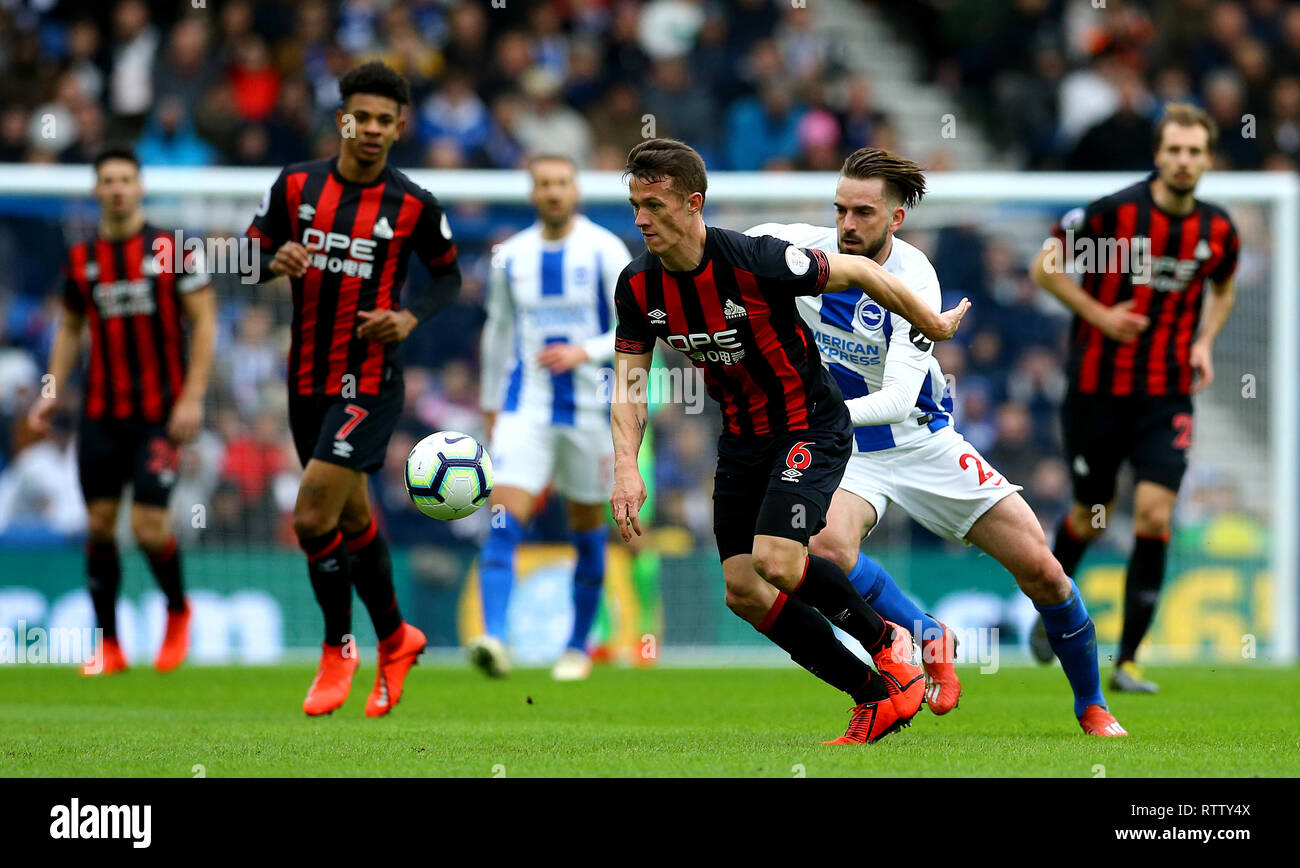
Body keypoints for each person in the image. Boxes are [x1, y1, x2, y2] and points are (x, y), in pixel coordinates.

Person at [748, 147, 1127, 737]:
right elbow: (717, 249)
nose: (848, 224)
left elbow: (899, 400)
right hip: (848, 453)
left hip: (921, 442)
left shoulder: (915, 276)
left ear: (896, 219)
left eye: (864, 213)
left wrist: (816, 414)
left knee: (1044, 572)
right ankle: (924, 633)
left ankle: (1093, 706)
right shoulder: (798, 247)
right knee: (820, 550)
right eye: (841, 209)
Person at [609, 138, 968, 744]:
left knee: (780, 559)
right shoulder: (637, 287)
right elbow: (629, 383)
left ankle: (891, 641)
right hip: (744, 439)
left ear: (693, 204)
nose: (641, 218)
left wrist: (929, 323)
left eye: (655, 205)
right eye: (636, 204)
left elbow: (857, 270)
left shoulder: (755, 260)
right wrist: (625, 466)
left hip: (811, 425)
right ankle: (875, 695)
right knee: (745, 592)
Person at [245, 61, 461, 716]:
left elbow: (448, 279)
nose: (370, 128)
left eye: (383, 120)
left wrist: (408, 316)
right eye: (360, 117)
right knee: (352, 518)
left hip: (369, 379)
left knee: (311, 514)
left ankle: (339, 647)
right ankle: (397, 638)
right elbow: (244, 255)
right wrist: (268, 258)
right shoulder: (296, 186)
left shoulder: (415, 204)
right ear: (343, 118)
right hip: (304, 379)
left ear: (400, 128)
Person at [1030, 103, 1240, 694]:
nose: (1183, 161)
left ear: (1207, 159)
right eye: (1174, 149)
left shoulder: (1219, 230)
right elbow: (1045, 267)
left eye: (1195, 151)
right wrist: (1100, 314)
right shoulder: (1113, 212)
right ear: (1158, 154)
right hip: (1098, 394)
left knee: (1154, 513)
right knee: (1090, 518)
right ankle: (1054, 610)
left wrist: (1204, 341)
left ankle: (1127, 662)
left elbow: (1222, 290)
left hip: (1166, 396)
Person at [27, 145, 216, 676]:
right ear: (96, 191)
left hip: (160, 413)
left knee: (151, 527)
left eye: (125, 179)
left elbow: (204, 321)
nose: (116, 188)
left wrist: (193, 397)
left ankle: (178, 611)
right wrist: (49, 389)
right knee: (100, 525)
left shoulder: (171, 249)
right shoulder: (82, 260)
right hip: (101, 414)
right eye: (107, 180)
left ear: (140, 187)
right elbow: (69, 328)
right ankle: (109, 645)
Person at [471, 154, 633, 682]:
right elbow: (497, 330)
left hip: (591, 412)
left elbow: (634, 328)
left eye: (562, 183)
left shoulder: (604, 249)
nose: (554, 192)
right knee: (502, 519)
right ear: (532, 193)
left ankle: (576, 647)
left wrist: (583, 352)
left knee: (586, 531)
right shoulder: (510, 256)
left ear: (575, 190)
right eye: (544, 184)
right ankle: (494, 639)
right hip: (527, 408)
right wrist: (492, 402)